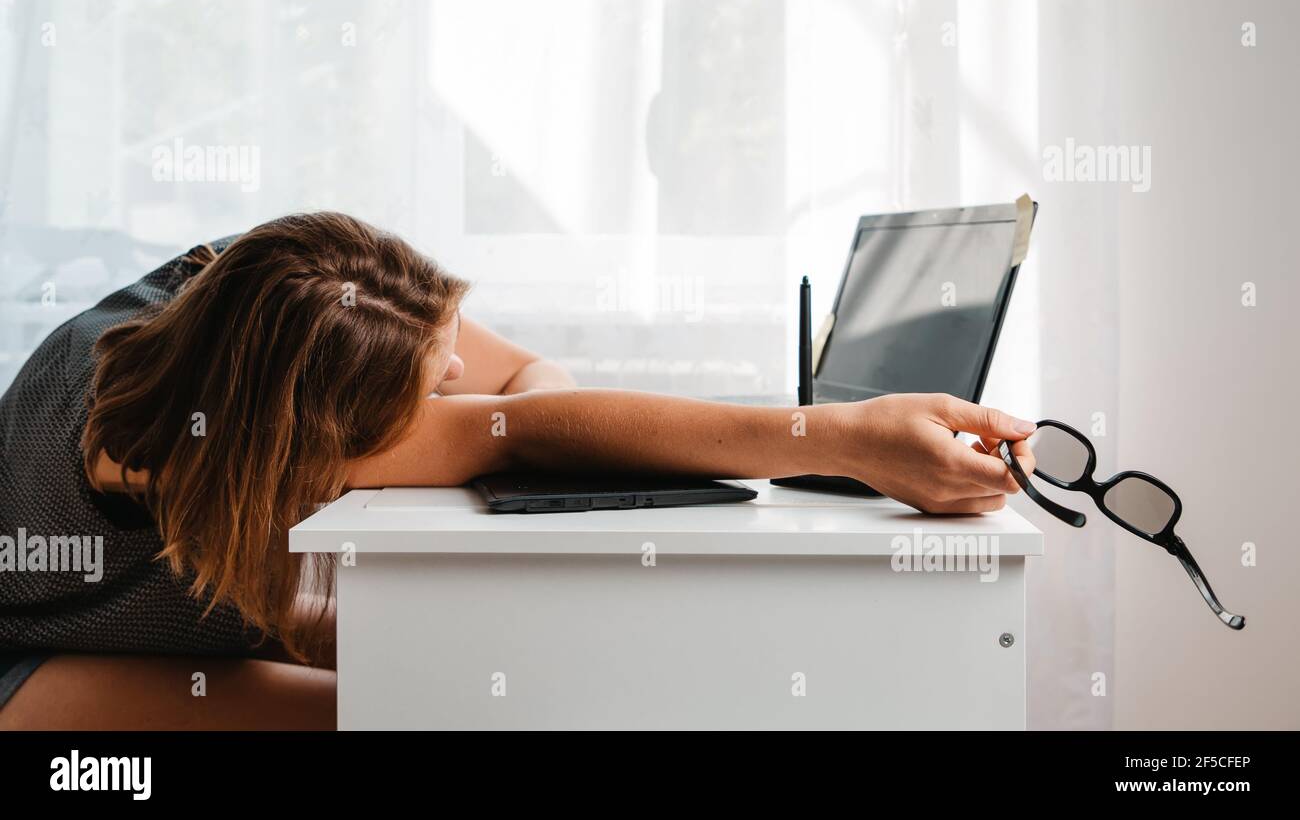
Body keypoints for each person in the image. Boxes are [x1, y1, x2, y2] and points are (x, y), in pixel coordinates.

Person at [0, 212, 1036, 729]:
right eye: (424, 388)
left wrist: (521, 418)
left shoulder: (273, 287)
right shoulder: (194, 441)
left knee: (489, 675)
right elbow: (518, 423)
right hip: (29, 656)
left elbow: (526, 400)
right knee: (383, 713)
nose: (455, 368)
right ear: (316, 444)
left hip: (214, 594)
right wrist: (842, 435)